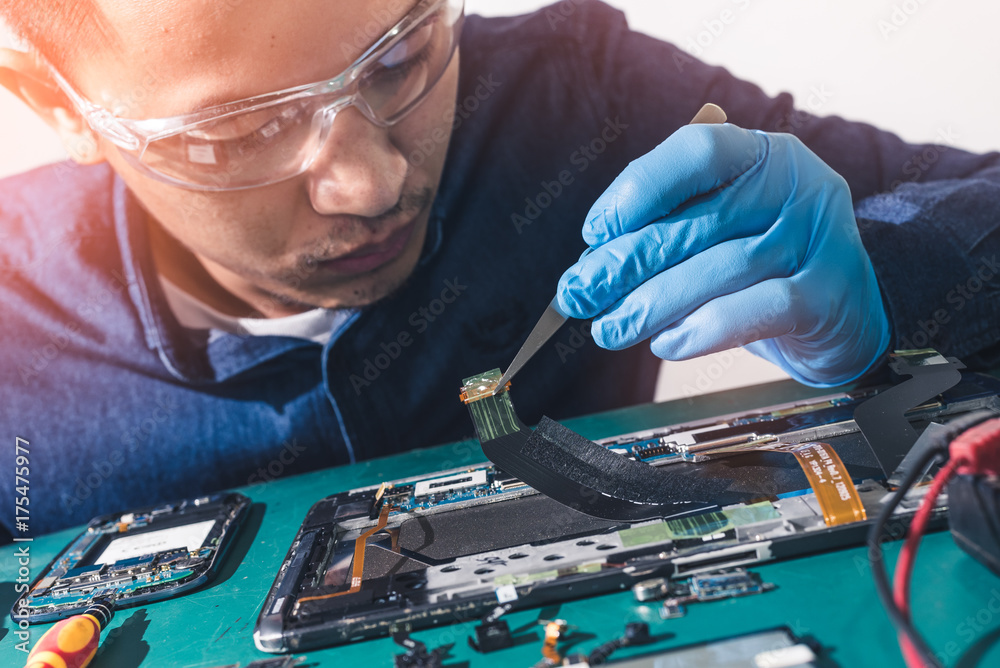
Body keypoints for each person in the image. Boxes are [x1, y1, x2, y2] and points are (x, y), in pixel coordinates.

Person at [1, 0, 998, 539]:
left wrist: (885, 277)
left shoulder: (580, 95)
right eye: (240, 130)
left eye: (397, 58)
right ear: (54, 102)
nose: (373, 183)